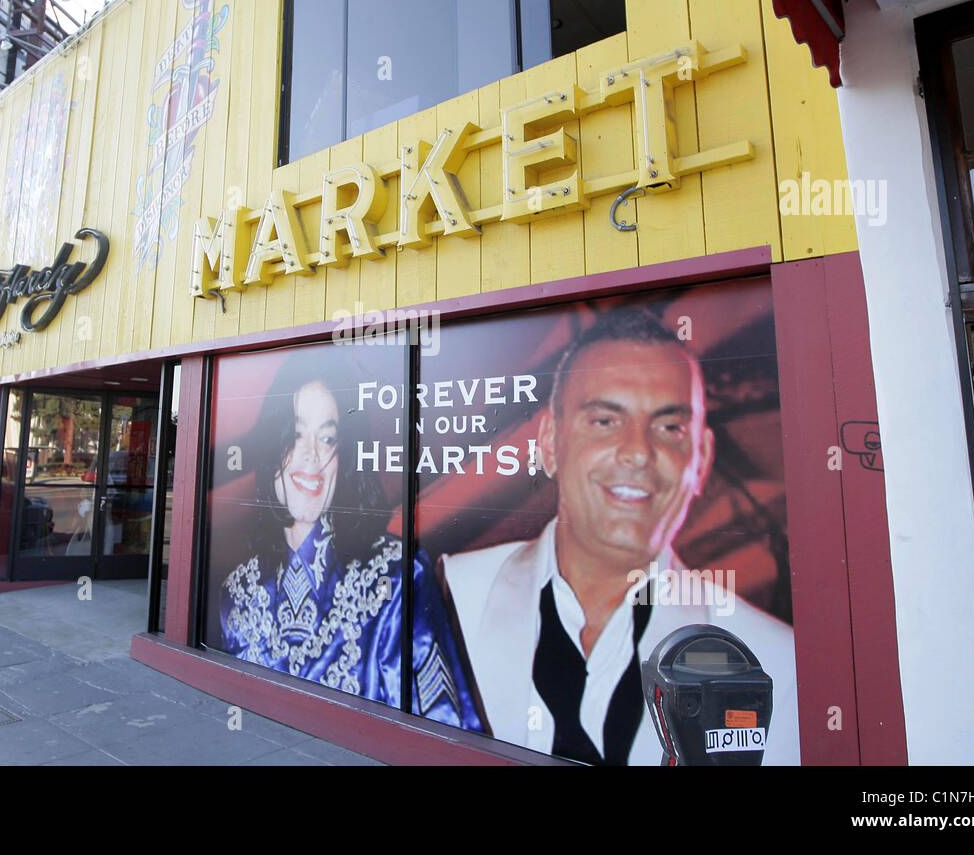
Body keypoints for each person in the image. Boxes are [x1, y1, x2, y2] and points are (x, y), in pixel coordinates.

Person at [441, 309, 798, 764]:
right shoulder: (453, 593)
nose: (637, 452)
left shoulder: (776, 665)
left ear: (702, 458)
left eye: (670, 427)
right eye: (605, 421)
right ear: (550, 444)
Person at [219, 352, 483, 728]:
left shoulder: (396, 578)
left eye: (328, 438)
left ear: (345, 456)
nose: (310, 456)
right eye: (295, 435)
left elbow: (445, 731)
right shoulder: (238, 592)